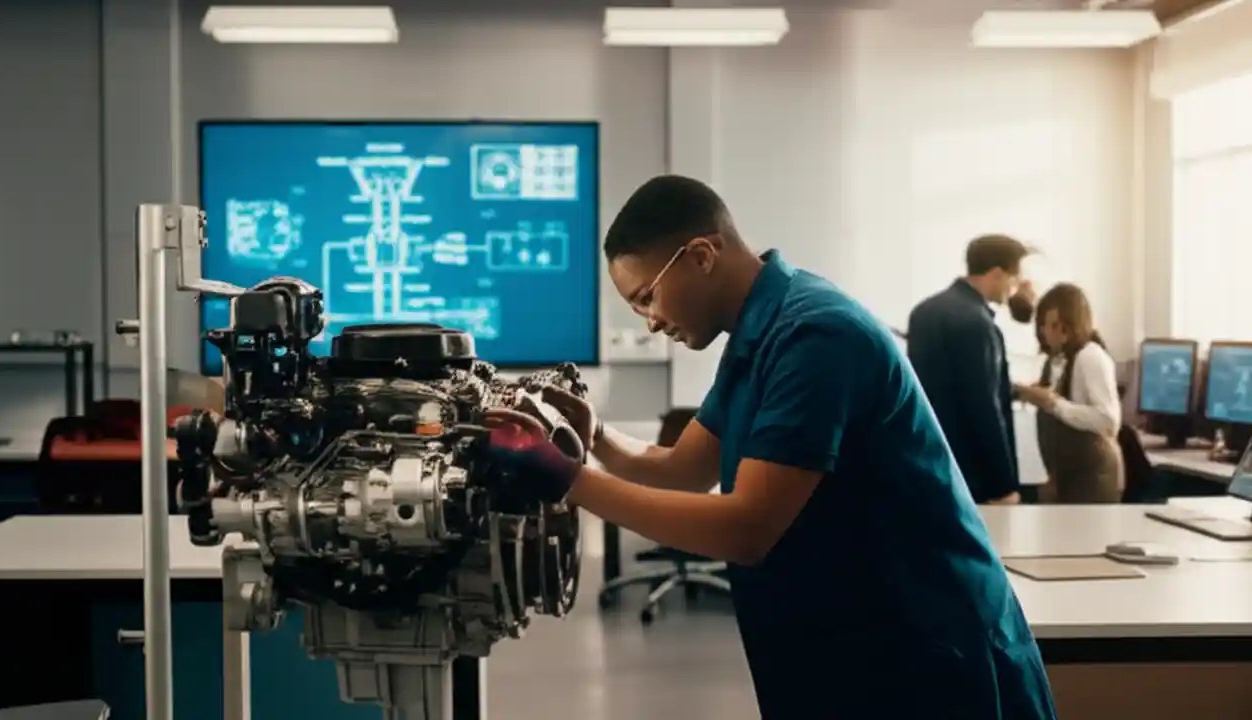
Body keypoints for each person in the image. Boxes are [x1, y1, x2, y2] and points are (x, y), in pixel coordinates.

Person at [480, 176, 1057, 719]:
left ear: (702, 257)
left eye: (647, 298)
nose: (652, 323)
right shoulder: (757, 333)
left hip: (923, 654)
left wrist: (567, 480)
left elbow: (745, 528)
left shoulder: (816, 334)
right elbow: (683, 468)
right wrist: (595, 436)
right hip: (848, 646)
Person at [906, 235, 1037, 505]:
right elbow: (984, 407)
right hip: (972, 477)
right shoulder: (977, 323)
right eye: (1014, 278)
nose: (1014, 289)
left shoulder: (924, 312)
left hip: (927, 462)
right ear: (998, 273)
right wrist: (1003, 484)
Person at [1014, 283, 1123, 503]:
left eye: (1059, 326)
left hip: (1092, 477)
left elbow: (1108, 420)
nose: (1050, 333)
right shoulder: (1054, 361)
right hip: (1063, 474)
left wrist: (1053, 403)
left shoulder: (1090, 357)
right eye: (1047, 325)